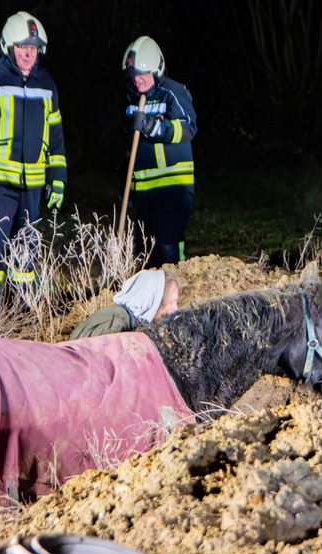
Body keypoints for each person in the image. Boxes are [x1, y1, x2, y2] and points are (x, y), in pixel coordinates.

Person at [0, 11, 66, 313]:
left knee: (26, 252)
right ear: (8, 46)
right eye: (22, 47)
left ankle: (22, 313)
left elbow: (55, 135)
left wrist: (58, 177)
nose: (28, 53)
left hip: (33, 186)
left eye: (33, 48)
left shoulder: (47, 84)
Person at [123, 36, 197, 268]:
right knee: (145, 251)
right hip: (145, 189)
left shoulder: (173, 92)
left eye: (142, 74)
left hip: (172, 187)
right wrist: (130, 188)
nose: (137, 79)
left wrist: (153, 126)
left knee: (168, 250)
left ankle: (177, 288)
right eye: (133, 74)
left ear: (157, 69)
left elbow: (188, 128)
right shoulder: (133, 98)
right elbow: (132, 148)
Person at [69, 269, 180, 340]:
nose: (176, 308)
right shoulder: (115, 324)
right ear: (152, 303)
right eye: (170, 303)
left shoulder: (130, 319)